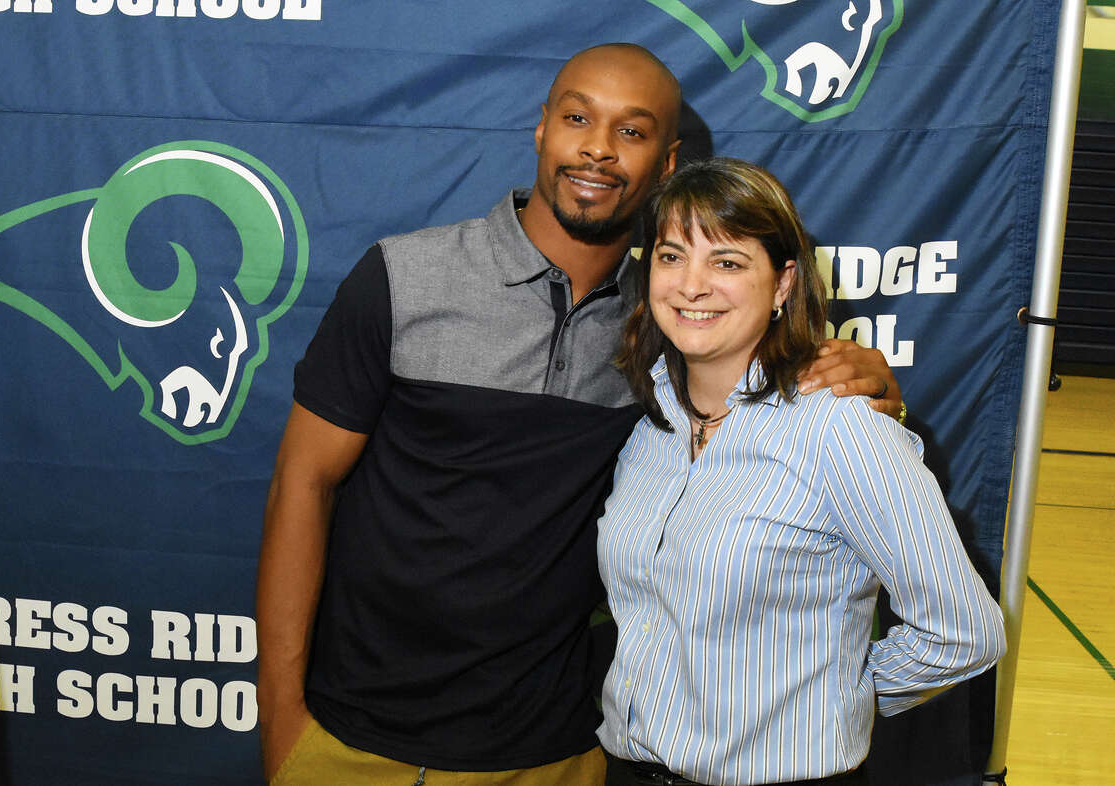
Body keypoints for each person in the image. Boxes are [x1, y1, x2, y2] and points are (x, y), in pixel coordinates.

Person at [255, 45, 903, 785]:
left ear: (666, 164)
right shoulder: (404, 278)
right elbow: (301, 486)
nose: (597, 147)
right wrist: (280, 712)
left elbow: (779, 386)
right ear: (541, 130)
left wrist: (864, 373)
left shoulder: (670, 325)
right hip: (350, 739)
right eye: (576, 118)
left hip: (553, 752)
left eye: (631, 131)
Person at [597, 158, 1005, 786]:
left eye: (727, 262)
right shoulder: (649, 422)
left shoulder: (842, 430)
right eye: (672, 256)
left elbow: (964, 630)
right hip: (627, 770)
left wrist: (842, 697)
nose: (691, 285)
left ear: (784, 284)